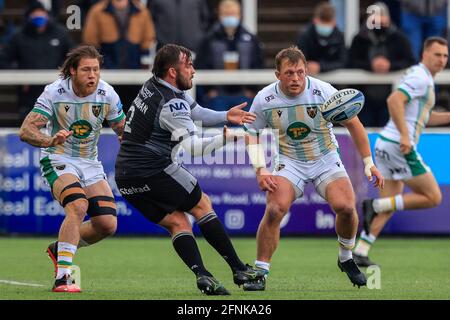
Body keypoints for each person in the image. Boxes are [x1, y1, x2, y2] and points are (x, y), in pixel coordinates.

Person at [114, 44, 266, 295]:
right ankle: (239, 269)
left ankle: (203, 275)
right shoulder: (172, 104)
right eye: (189, 65)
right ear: (173, 71)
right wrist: (224, 139)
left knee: (177, 222)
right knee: (202, 204)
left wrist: (226, 115)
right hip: (153, 170)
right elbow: (193, 148)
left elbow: (195, 112)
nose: (194, 71)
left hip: (125, 177)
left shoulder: (153, 86)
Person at [241, 46, 385, 291]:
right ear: (277, 75)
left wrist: (369, 163)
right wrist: (260, 169)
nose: (296, 78)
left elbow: (355, 124)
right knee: (275, 209)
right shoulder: (265, 99)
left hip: (325, 158)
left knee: (346, 208)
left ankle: (346, 257)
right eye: (289, 73)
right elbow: (251, 133)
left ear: (306, 70)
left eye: (299, 72)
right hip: (290, 161)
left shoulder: (324, 91)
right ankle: (260, 273)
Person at [18, 45, 126, 292]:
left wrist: (129, 139)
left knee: (107, 224)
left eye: (96, 70)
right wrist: (49, 140)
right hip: (58, 156)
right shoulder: (55, 92)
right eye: (86, 70)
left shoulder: (107, 94)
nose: (93, 75)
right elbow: (26, 130)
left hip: (90, 162)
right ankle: (63, 277)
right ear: (72, 72)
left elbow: (122, 129)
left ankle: (60, 249)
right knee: (78, 206)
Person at [353, 37, 449, 267]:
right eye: (437, 54)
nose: (442, 60)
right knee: (433, 197)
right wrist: (406, 136)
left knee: (392, 202)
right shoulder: (420, 78)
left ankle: (361, 251)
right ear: (424, 54)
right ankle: (374, 206)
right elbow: (394, 100)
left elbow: (423, 117)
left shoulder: (420, 76)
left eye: (445, 56)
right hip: (399, 145)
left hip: (386, 143)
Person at [0, 1, 75, 122]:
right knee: (29, 124)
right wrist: (19, 76)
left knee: (57, 124)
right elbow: (4, 59)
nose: (38, 16)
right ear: (29, 15)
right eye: (35, 13)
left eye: (41, 13)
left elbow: (72, 56)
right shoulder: (18, 35)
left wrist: (63, 74)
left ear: (47, 14)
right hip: (28, 92)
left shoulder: (60, 33)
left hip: (57, 90)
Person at [348, 2, 415, 127]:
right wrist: (370, 65)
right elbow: (350, 61)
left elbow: (410, 61)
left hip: (391, 96)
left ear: (388, 18)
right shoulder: (359, 39)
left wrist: (390, 66)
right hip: (364, 98)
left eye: (381, 17)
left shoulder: (399, 38)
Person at [195, 0, 264, 111]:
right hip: (217, 96)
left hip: (244, 95)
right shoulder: (208, 39)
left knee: (246, 126)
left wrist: (252, 90)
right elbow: (201, 64)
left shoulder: (251, 39)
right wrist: (209, 91)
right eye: (226, 14)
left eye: (232, 13)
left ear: (239, 14)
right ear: (219, 15)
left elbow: (258, 63)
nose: (230, 17)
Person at [82, 0, 156, 69]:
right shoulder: (97, 11)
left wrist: (144, 62)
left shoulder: (142, 12)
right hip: (106, 67)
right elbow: (90, 39)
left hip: (135, 66)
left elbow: (148, 39)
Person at [297, 2, 346, 76]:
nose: (325, 25)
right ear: (315, 20)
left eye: (328, 22)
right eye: (322, 22)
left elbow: (343, 61)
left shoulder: (338, 36)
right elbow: (298, 59)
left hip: (333, 82)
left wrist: (321, 67)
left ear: (334, 22)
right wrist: (307, 65)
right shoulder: (305, 35)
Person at [147, 0, 212, 54]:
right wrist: (159, 37)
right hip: (164, 49)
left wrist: (198, 37)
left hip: (193, 50)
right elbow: (148, 20)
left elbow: (205, 19)